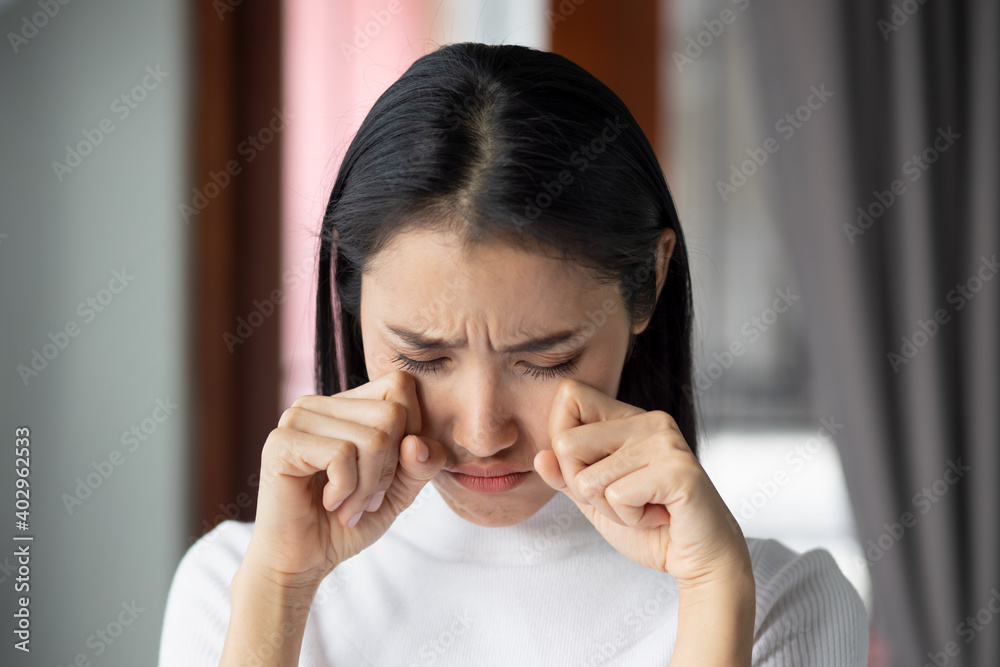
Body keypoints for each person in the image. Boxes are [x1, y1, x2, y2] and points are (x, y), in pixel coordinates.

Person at [159, 42, 868, 666]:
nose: (480, 430)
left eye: (547, 359)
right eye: (425, 356)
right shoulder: (235, 583)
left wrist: (716, 596)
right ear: (349, 289)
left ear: (648, 283)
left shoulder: (774, 599)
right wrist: (279, 590)